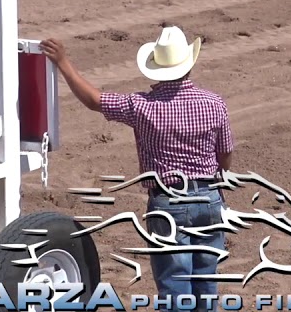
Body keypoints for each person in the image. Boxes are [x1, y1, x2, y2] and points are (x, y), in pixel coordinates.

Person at [41, 26, 233, 311]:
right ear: (188, 65)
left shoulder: (142, 106)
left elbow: (95, 100)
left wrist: (64, 63)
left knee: (174, 284)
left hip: (169, 202)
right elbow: (225, 154)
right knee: (205, 281)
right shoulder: (214, 103)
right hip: (209, 197)